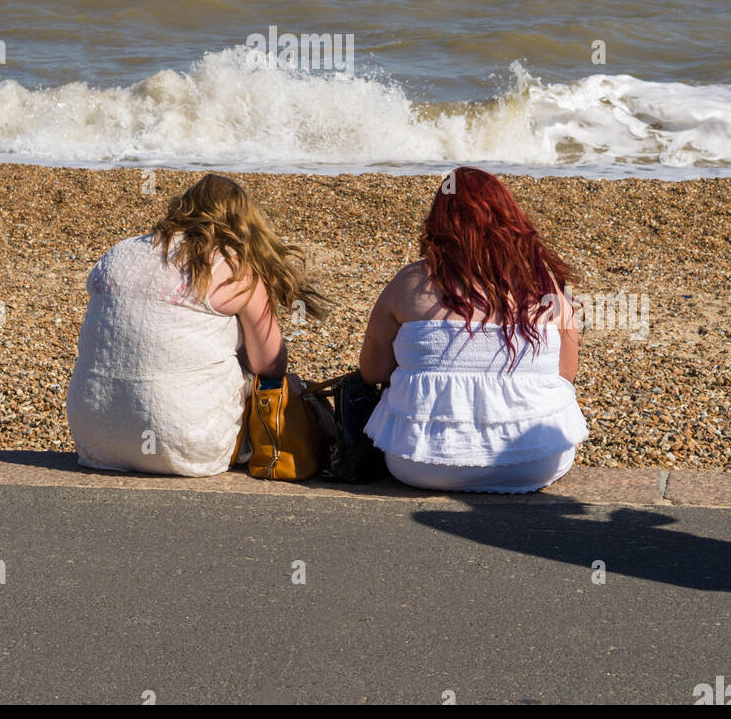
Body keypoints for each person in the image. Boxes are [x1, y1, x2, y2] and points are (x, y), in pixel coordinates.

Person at [66, 172, 324, 476]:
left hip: (94, 435)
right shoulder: (231, 267)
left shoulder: (119, 252)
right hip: (183, 443)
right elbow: (270, 365)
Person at [360, 168, 588, 493]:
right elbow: (565, 376)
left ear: (438, 220)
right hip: (537, 459)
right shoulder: (543, 284)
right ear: (510, 218)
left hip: (420, 462)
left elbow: (372, 373)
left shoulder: (409, 285)